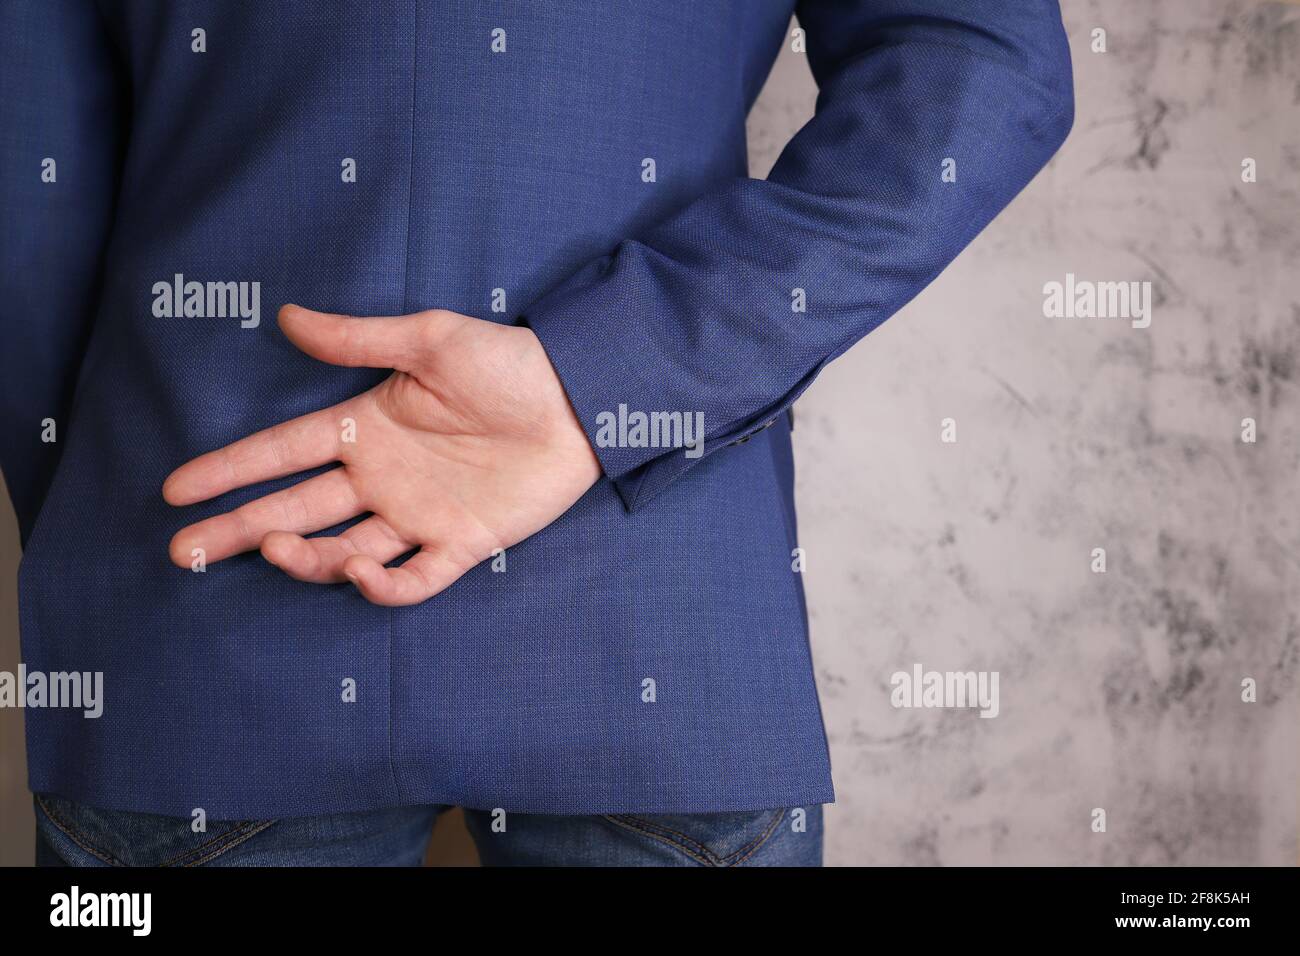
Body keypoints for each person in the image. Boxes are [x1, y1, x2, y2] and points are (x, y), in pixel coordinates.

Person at [0, 0, 1073, 866]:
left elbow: (27, 202)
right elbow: (983, 66)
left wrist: (99, 536)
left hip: (203, 606)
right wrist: (607, 377)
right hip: (648, 613)